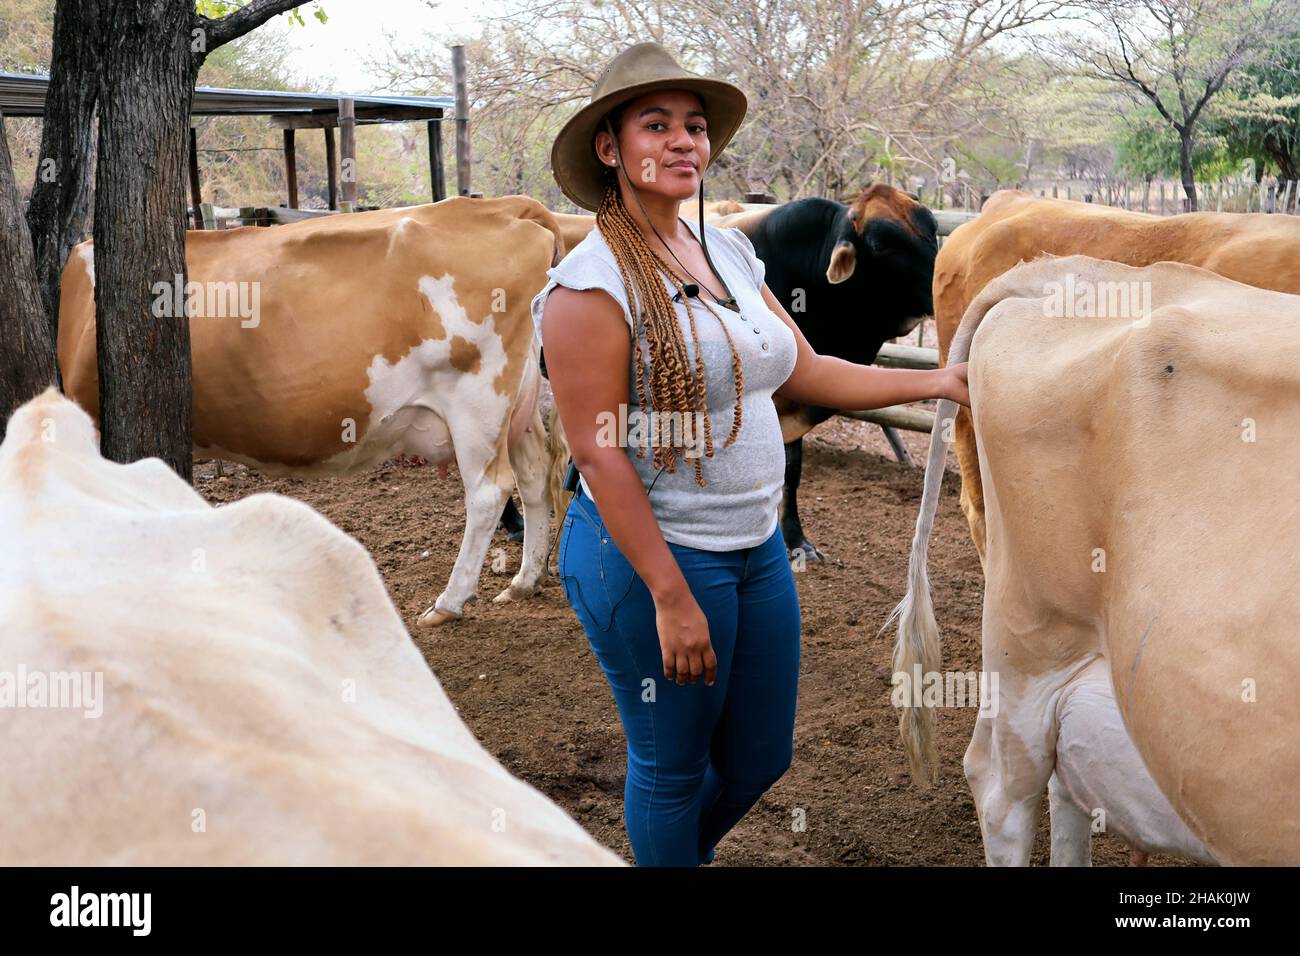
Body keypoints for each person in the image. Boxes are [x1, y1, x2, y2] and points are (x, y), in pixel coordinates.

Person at [531, 41, 970, 867]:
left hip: (754, 544)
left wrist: (941, 381)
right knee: (671, 769)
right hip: (654, 556)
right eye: (654, 125)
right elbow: (597, 455)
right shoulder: (589, 288)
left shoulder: (728, 254)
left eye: (693, 127)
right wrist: (667, 593)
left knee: (761, 757)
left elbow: (806, 369)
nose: (681, 142)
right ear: (609, 148)